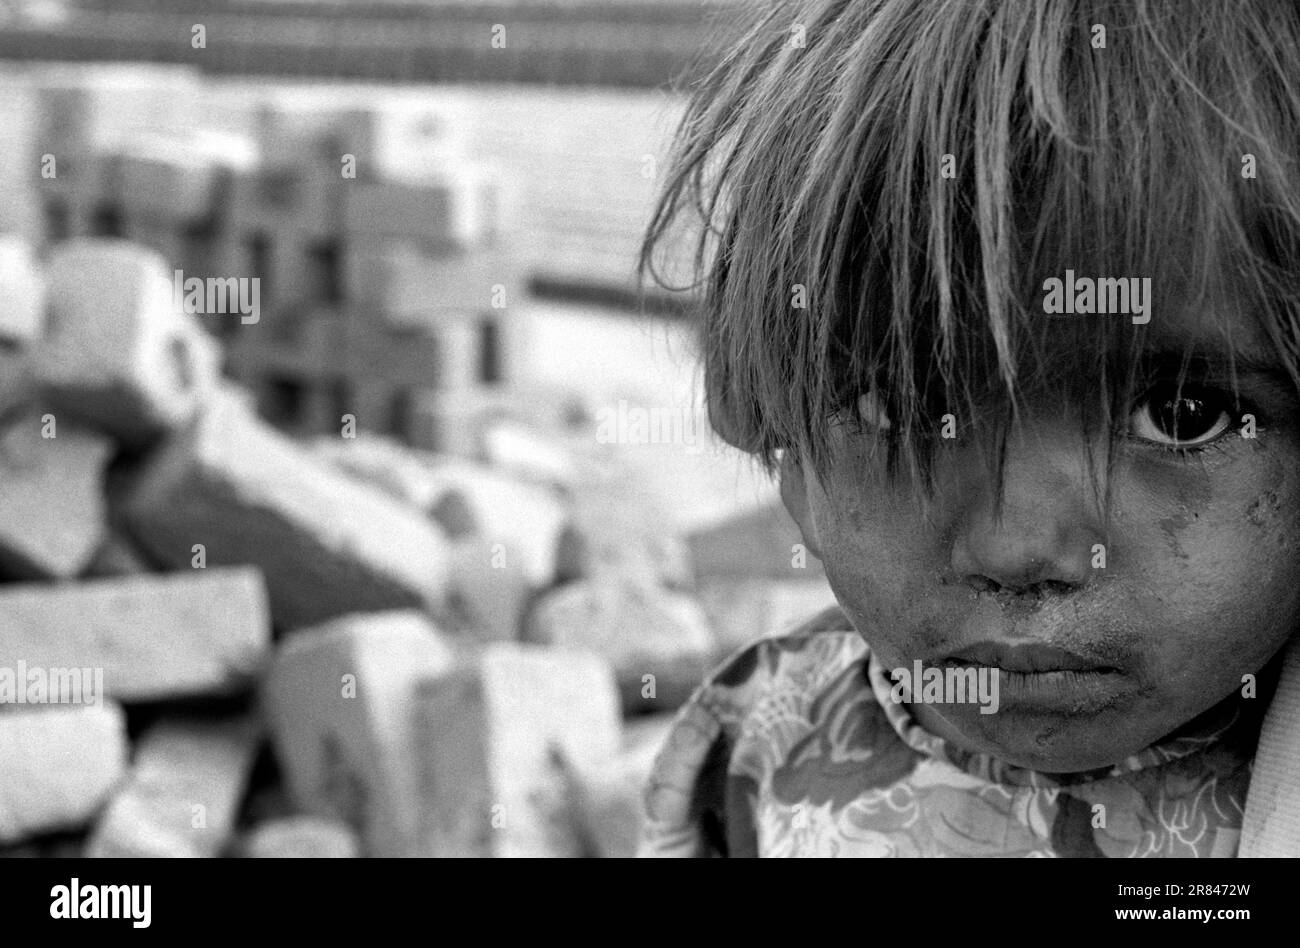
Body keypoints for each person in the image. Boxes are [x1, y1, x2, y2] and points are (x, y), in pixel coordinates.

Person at [636, 0, 1300, 857]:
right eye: (901, 405)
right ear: (770, 433)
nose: (1017, 548)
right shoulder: (752, 747)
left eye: (1179, 414)